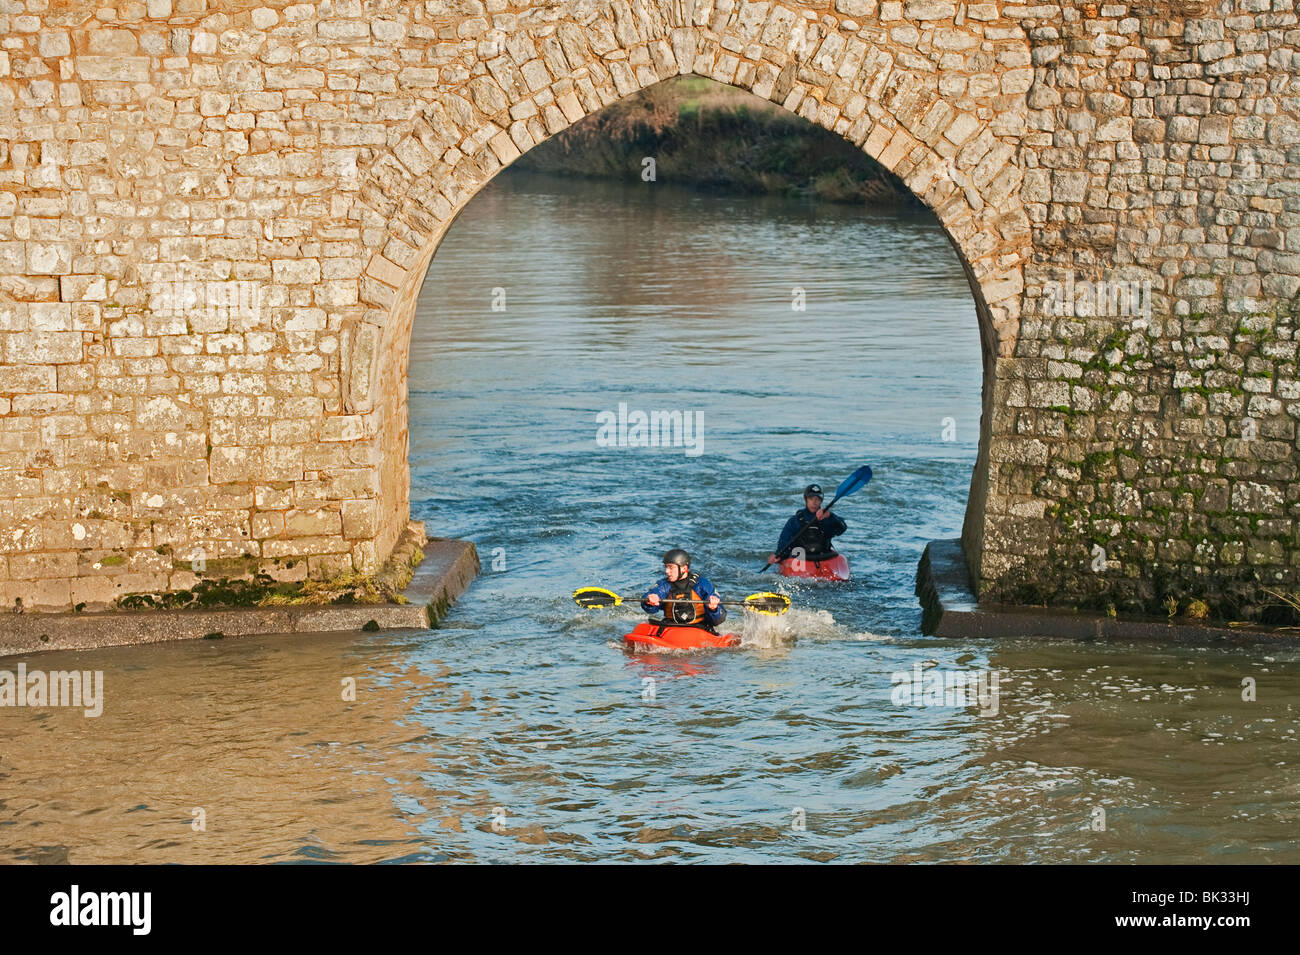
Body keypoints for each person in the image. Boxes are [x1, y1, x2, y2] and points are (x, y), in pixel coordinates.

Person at [641, 548, 727, 630]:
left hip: (699, 628)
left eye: (671, 567)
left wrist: (714, 609)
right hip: (671, 626)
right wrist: (649, 601)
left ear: (684, 568)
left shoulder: (702, 584)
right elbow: (651, 605)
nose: (666, 571)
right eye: (666, 567)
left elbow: (719, 619)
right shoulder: (663, 585)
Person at [767, 483, 846, 566]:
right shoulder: (795, 520)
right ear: (805, 499)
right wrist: (778, 555)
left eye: (817, 499)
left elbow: (842, 529)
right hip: (801, 557)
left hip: (823, 556)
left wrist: (831, 516)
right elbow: (784, 541)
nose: (814, 502)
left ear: (821, 501)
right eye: (811, 498)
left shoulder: (828, 518)